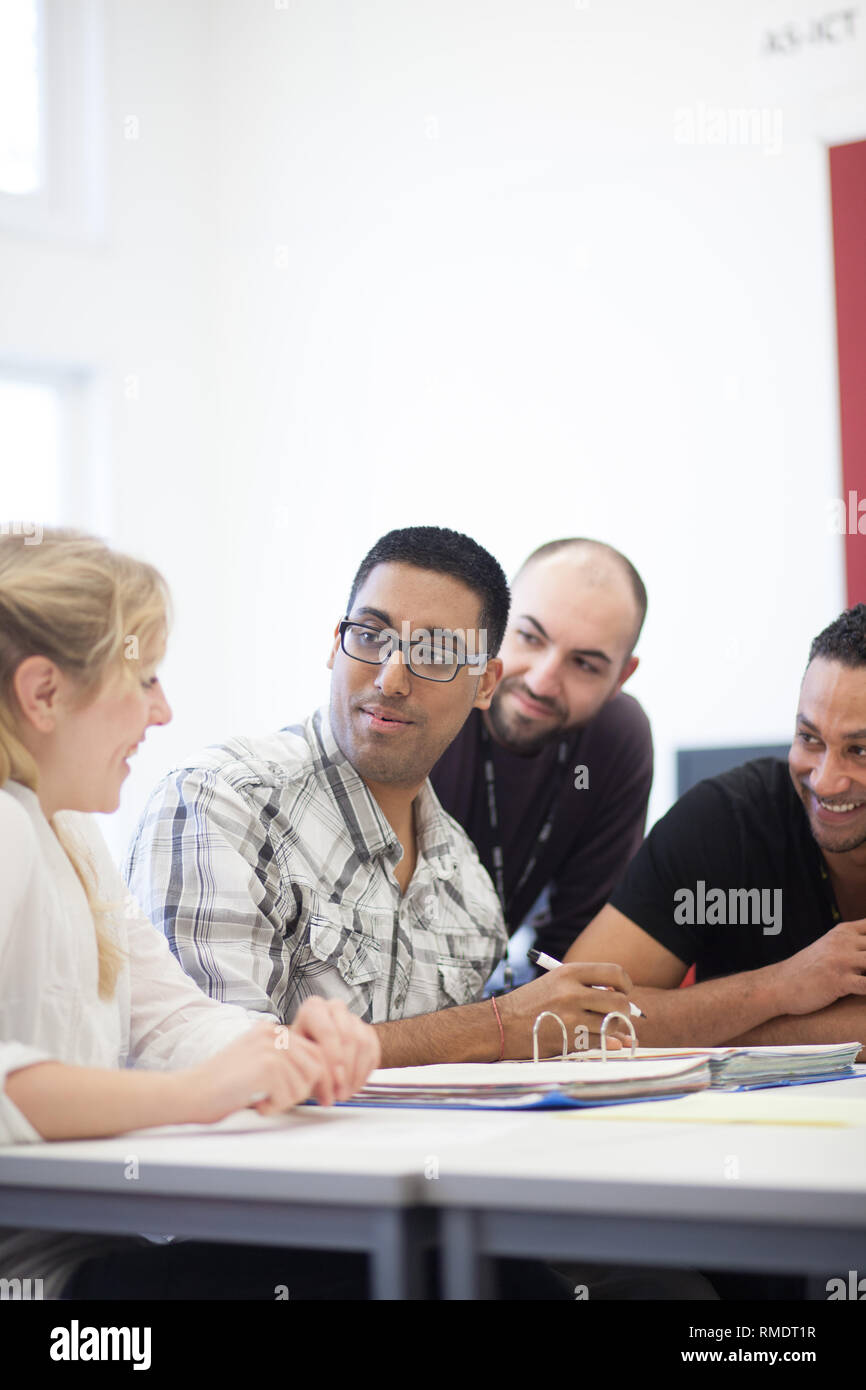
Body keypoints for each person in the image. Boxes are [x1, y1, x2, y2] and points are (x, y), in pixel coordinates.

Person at [0, 528, 380, 1301]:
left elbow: (169, 1020)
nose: (164, 710)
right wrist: (194, 1096)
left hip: (83, 1260)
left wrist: (284, 1048)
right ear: (43, 694)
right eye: (143, 681)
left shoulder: (66, 829)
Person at [126, 526, 636, 1065]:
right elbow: (217, 1066)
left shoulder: (471, 895)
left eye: (435, 653)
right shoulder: (223, 803)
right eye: (370, 635)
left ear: (485, 684)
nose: (392, 678)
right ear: (334, 643)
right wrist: (498, 1027)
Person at [564, 604, 866, 1060]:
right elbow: (571, 1014)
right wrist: (780, 987)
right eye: (809, 738)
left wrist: (714, 1033)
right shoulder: (728, 819)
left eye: (860, 750)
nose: (824, 780)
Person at [431, 538, 652, 981]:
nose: (542, 681)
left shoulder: (615, 740)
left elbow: (574, 952)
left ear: (620, 678)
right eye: (530, 638)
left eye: (585, 665)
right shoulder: (430, 695)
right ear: (494, 623)